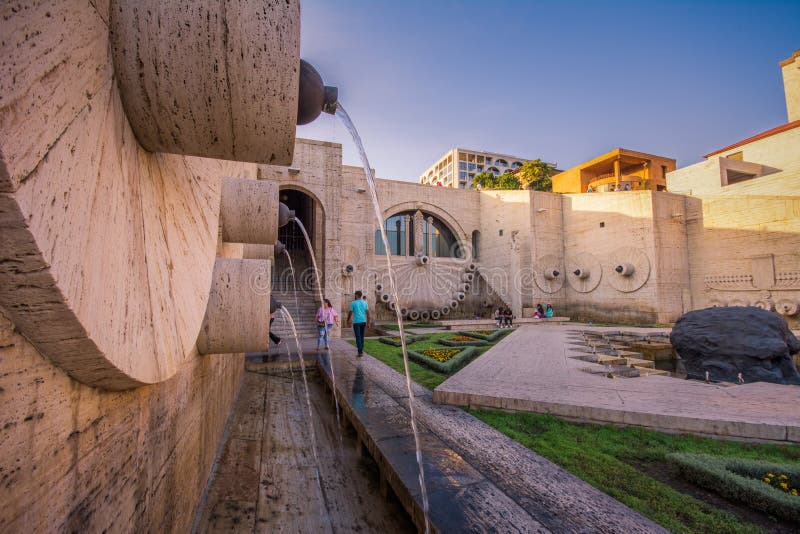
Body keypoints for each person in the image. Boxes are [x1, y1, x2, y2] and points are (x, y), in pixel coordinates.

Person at [347, 290, 370, 357]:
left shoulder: (353, 303)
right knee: (361, 336)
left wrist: (347, 320)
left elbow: (350, 313)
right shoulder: (365, 303)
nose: (355, 296)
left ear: (356, 295)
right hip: (363, 322)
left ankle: (360, 352)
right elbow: (368, 314)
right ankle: (361, 350)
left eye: (355, 295)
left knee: (358, 337)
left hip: (356, 322)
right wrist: (368, 323)